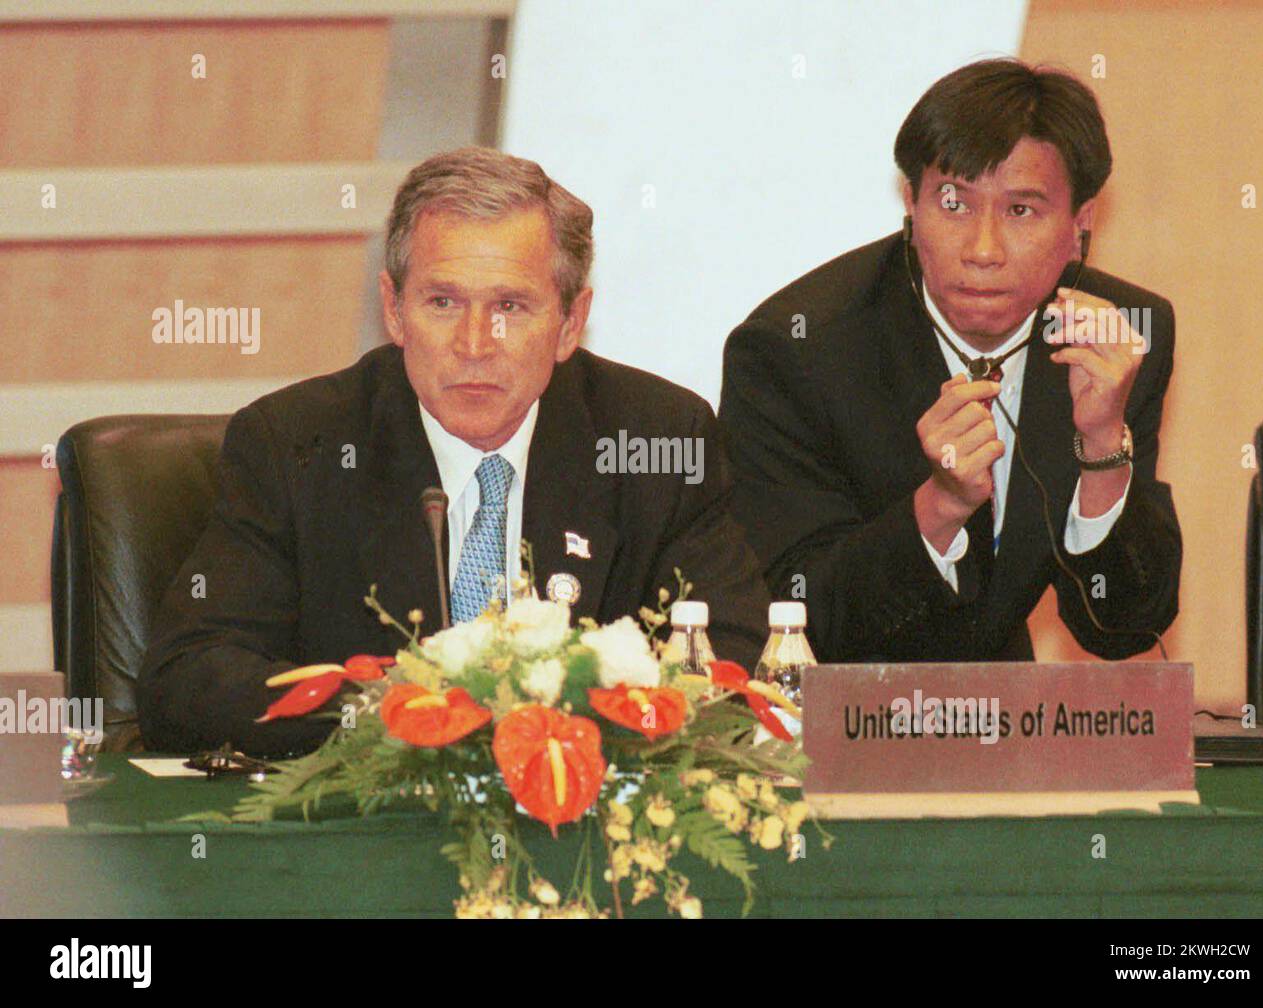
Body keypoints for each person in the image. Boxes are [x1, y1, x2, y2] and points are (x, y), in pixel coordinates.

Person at [139, 147, 769, 756]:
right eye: (442, 302)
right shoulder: (297, 446)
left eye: (510, 306)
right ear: (394, 309)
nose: (474, 343)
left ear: (571, 323)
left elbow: (735, 663)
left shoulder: (655, 438)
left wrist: (568, 724)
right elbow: (190, 678)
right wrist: (398, 717)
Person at [719, 59, 1181, 664]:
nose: (983, 250)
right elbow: (789, 621)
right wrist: (939, 507)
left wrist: (1101, 448)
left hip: (1007, 727)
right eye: (954, 203)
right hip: (833, 732)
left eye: (1021, 211)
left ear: (1080, 224)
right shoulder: (794, 350)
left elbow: (1123, 626)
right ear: (910, 203)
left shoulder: (1114, 338)